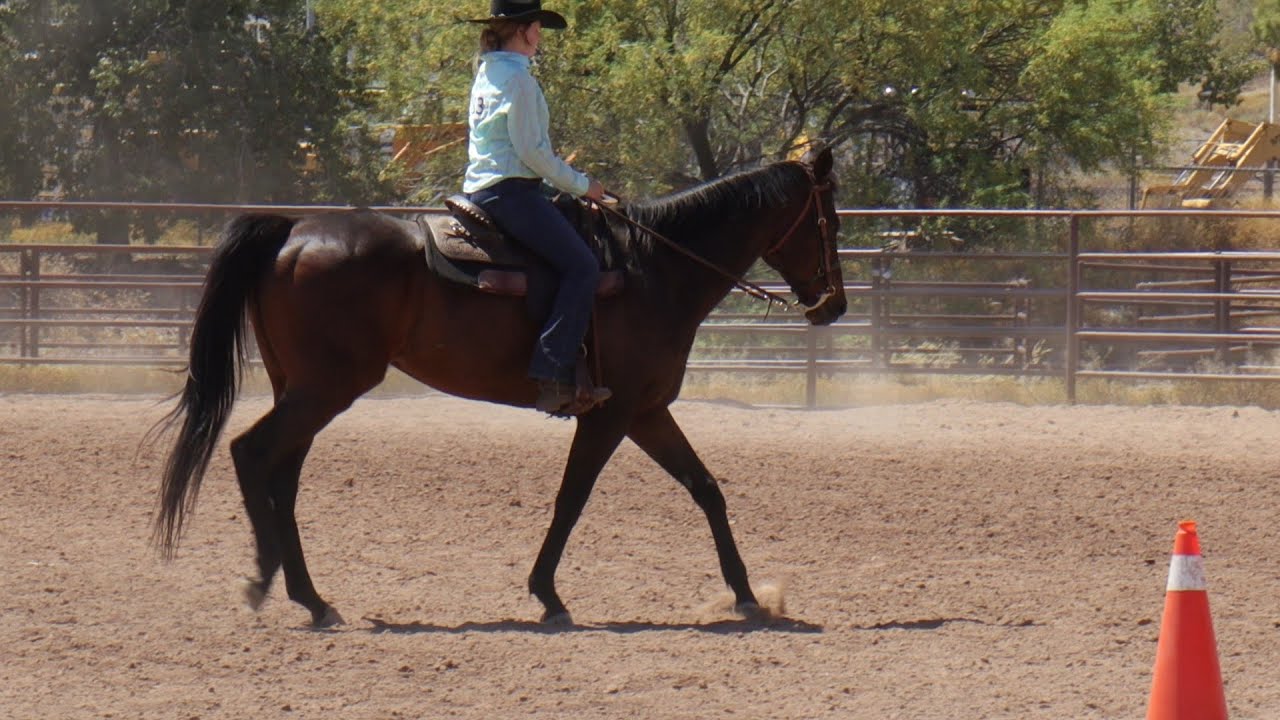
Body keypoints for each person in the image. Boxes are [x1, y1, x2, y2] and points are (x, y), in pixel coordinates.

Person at [464, 0, 611, 416]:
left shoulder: (487, 72)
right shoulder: (521, 82)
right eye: (538, 28)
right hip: (513, 193)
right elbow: (532, 153)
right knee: (583, 267)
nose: (540, 36)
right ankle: (552, 372)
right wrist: (583, 186)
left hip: (483, 189)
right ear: (525, 31)